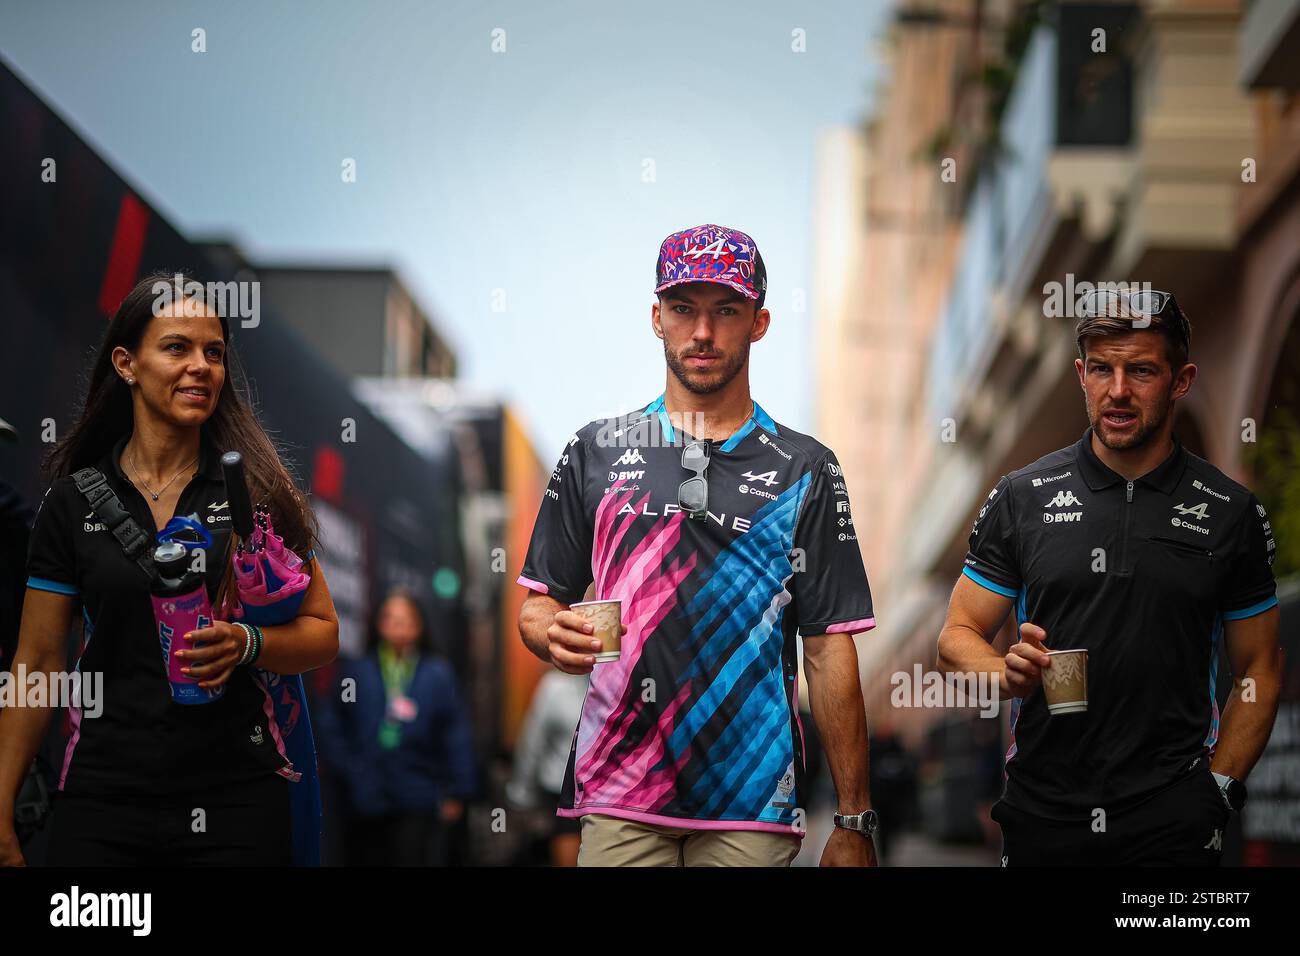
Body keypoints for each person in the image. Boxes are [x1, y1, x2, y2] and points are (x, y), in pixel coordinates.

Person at [517, 224, 880, 867]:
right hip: (619, 786)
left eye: (726, 310)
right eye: (683, 308)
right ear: (656, 317)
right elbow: (538, 602)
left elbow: (827, 649)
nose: (703, 332)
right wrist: (550, 632)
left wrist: (853, 819)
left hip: (752, 798)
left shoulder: (806, 468)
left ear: (760, 323)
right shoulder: (595, 450)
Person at [0, 272, 340, 866]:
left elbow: (322, 632)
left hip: (235, 794)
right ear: (127, 364)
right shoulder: (72, 501)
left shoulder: (254, 494)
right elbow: (39, 663)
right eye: (178, 348)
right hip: (103, 795)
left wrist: (247, 642)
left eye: (214, 353)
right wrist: (1, 801)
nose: (202, 367)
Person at [937, 288, 1281, 866]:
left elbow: (1261, 668)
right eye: (1102, 368)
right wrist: (1004, 670)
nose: (1117, 390)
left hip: (1172, 822)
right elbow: (955, 637)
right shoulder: (1023, 496)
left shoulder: (1229, 511)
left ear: (1181, 380)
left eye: (1141, 370)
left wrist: (1218, 791)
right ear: (1081, 374)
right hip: (1042, 815)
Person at [318, 589, 476, 866]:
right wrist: (351, 769)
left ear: (419, 625)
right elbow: (331, 726)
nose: (399, 626)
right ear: (379, 623)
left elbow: (456, 734)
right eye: (391, 618)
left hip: (419, 791)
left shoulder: (437, 674)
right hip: (364, 793)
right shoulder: (357, 671)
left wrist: (457, 790)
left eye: (407, 619)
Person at [507, 669, 589, 866]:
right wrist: (521, 793)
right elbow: (533, 742)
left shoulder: (628, 681)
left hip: (611, 798)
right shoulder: (555, 686)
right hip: (562, 794)